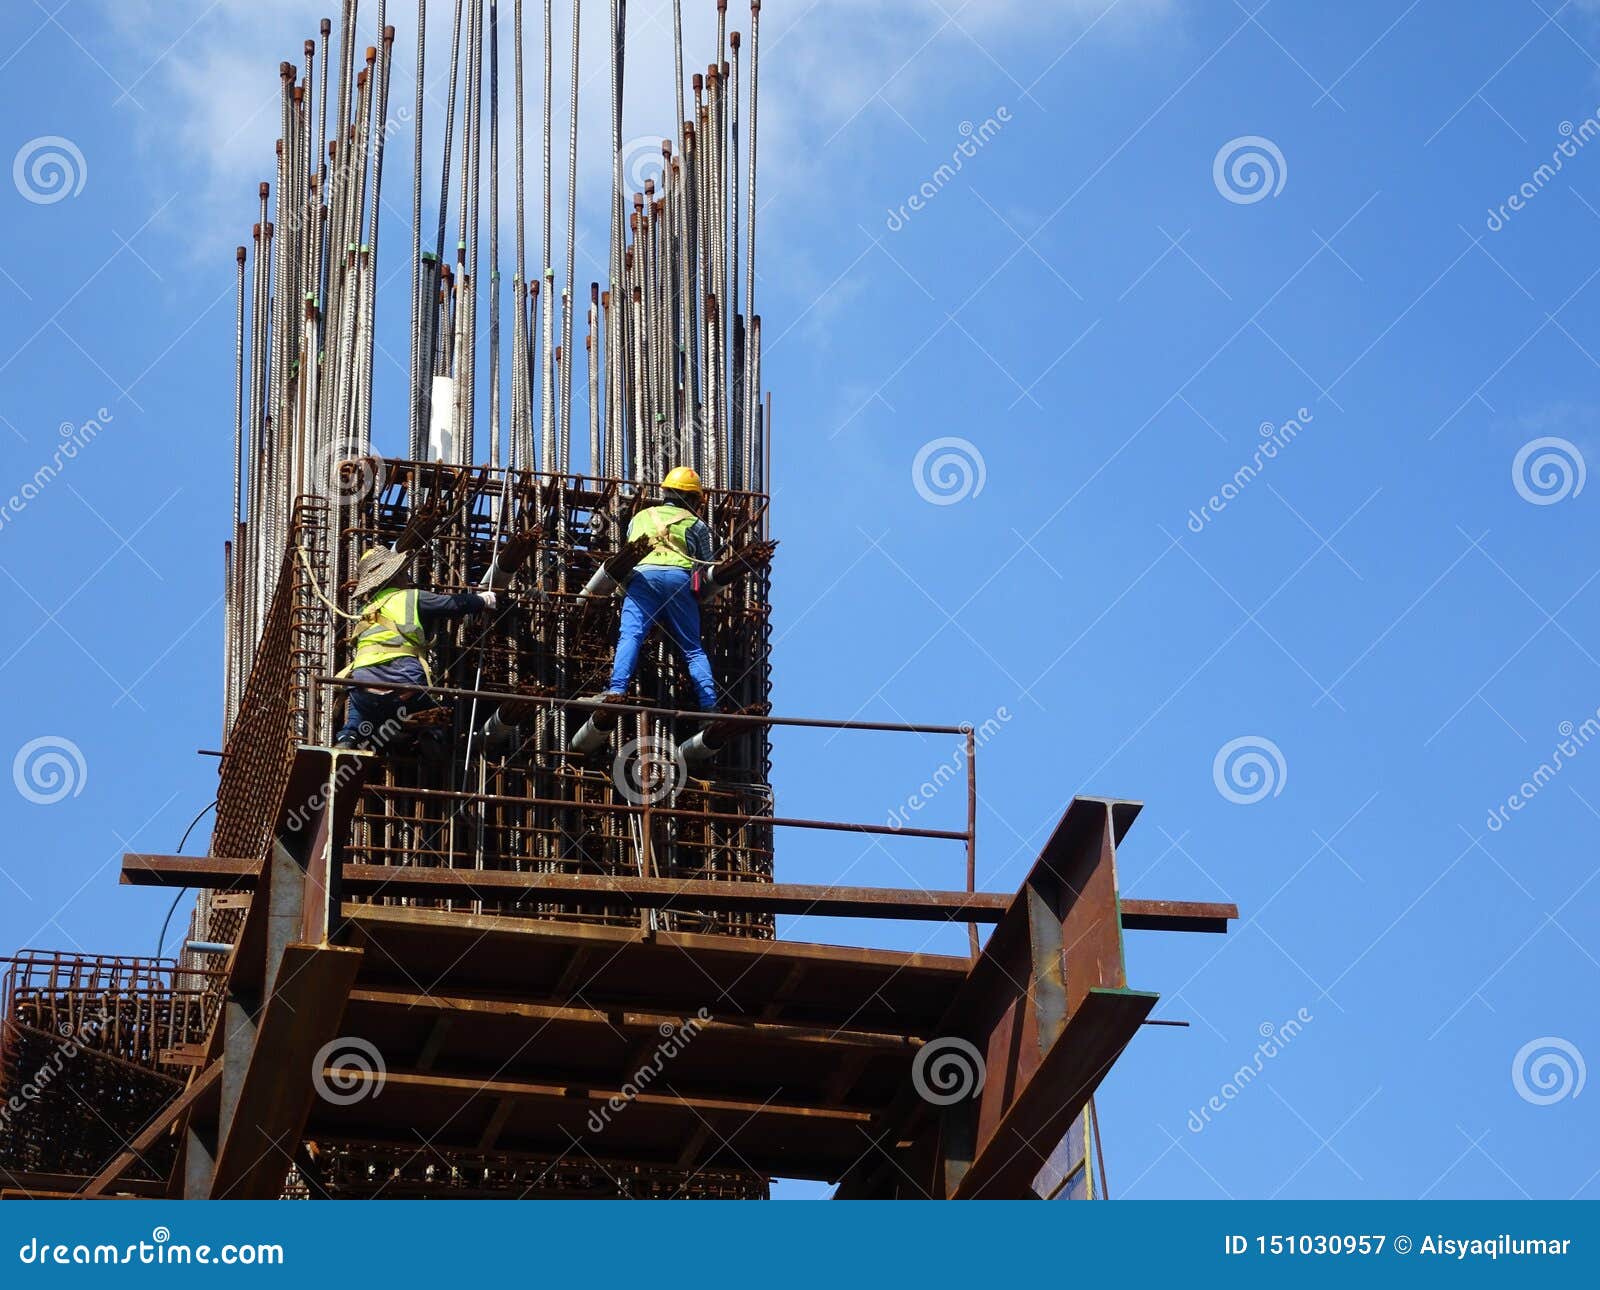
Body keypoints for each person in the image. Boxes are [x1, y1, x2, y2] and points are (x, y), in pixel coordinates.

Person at [333, 547, 498, 749]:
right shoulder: (411, 597)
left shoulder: (366, 609)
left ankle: (347, 739)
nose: (408, 577)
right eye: (403, 572)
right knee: (436, 710)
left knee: (357, 718)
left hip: (363, 686)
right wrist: (483, 599)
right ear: (396, 576)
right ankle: (432, 736)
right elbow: (452, 604)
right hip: (404, 682)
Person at [589, 466, 719, 712]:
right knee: (692, 649)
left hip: (642, 578)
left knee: (631, 636)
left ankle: (616, 690)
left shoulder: (640, 517)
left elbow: (629, 552)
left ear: (667, 492)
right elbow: (707, 566)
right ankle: (710, 706)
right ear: (692, 499)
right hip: (679, 580)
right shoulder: (696, 524)